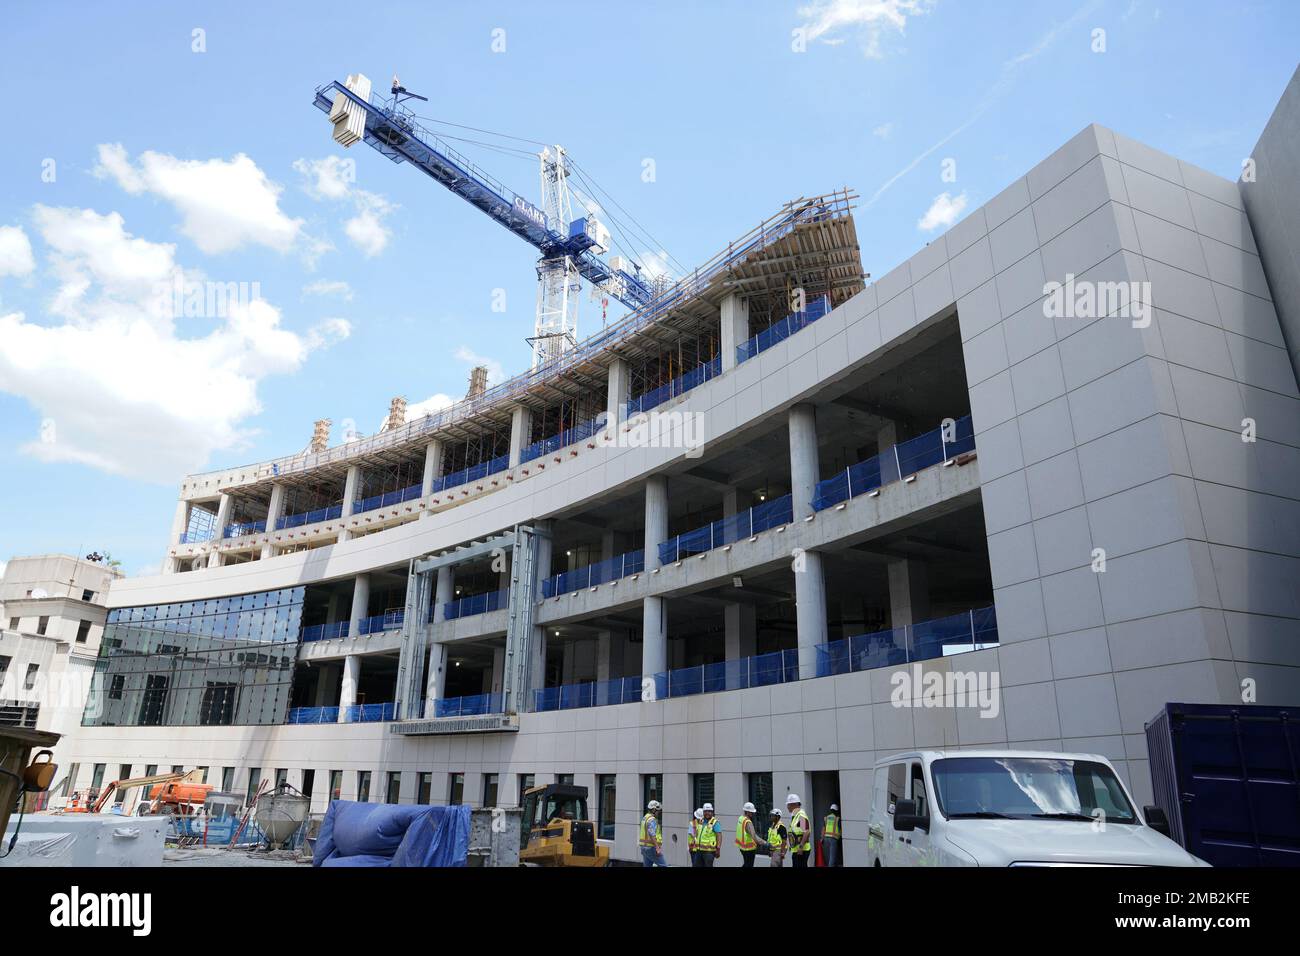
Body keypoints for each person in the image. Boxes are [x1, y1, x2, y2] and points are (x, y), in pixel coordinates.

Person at [787, 794, 812, 868]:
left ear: (794, 804)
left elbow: (806, 832)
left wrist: (801, 847)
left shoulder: (801, 815)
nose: (787, 807)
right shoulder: (795, 816)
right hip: (797, 849)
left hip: (801, 850)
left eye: (788, 804)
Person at [639, 800, 666, 867]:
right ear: (654, 810)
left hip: (644, 847)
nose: (658, 812)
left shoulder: (645, 818)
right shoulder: (652, 819)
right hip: (651, 847)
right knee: (663, 865)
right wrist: (657, 847)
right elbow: (652, 834)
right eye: (658, 810)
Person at [735, 802, 760, 868]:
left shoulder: (741, 818)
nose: (753, 813)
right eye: (751, 812)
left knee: (746, 864)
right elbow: (754, 836)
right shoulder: (748, 822)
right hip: (749, 849)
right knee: (749, 865)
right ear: (747, 811)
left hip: (742, 848)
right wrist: (766, 844)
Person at [697, 802, 721, 867]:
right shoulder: (701, 821)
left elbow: (719, 836)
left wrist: (718, 849)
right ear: (703, 812)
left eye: (709, 811)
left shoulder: (715, 822)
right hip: (699, 850)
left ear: (712, 812)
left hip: (709, 852)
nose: (707, 813)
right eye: (706, 811)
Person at [822, 803, 842, 867]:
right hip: (833, 838)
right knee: (832, 856)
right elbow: (840, 829)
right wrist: (840, 837)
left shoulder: (826, 818)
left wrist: (822, 838)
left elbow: (823, 828)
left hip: (826, 838)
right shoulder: (837, 818)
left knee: (829, 855)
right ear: (836, 810)